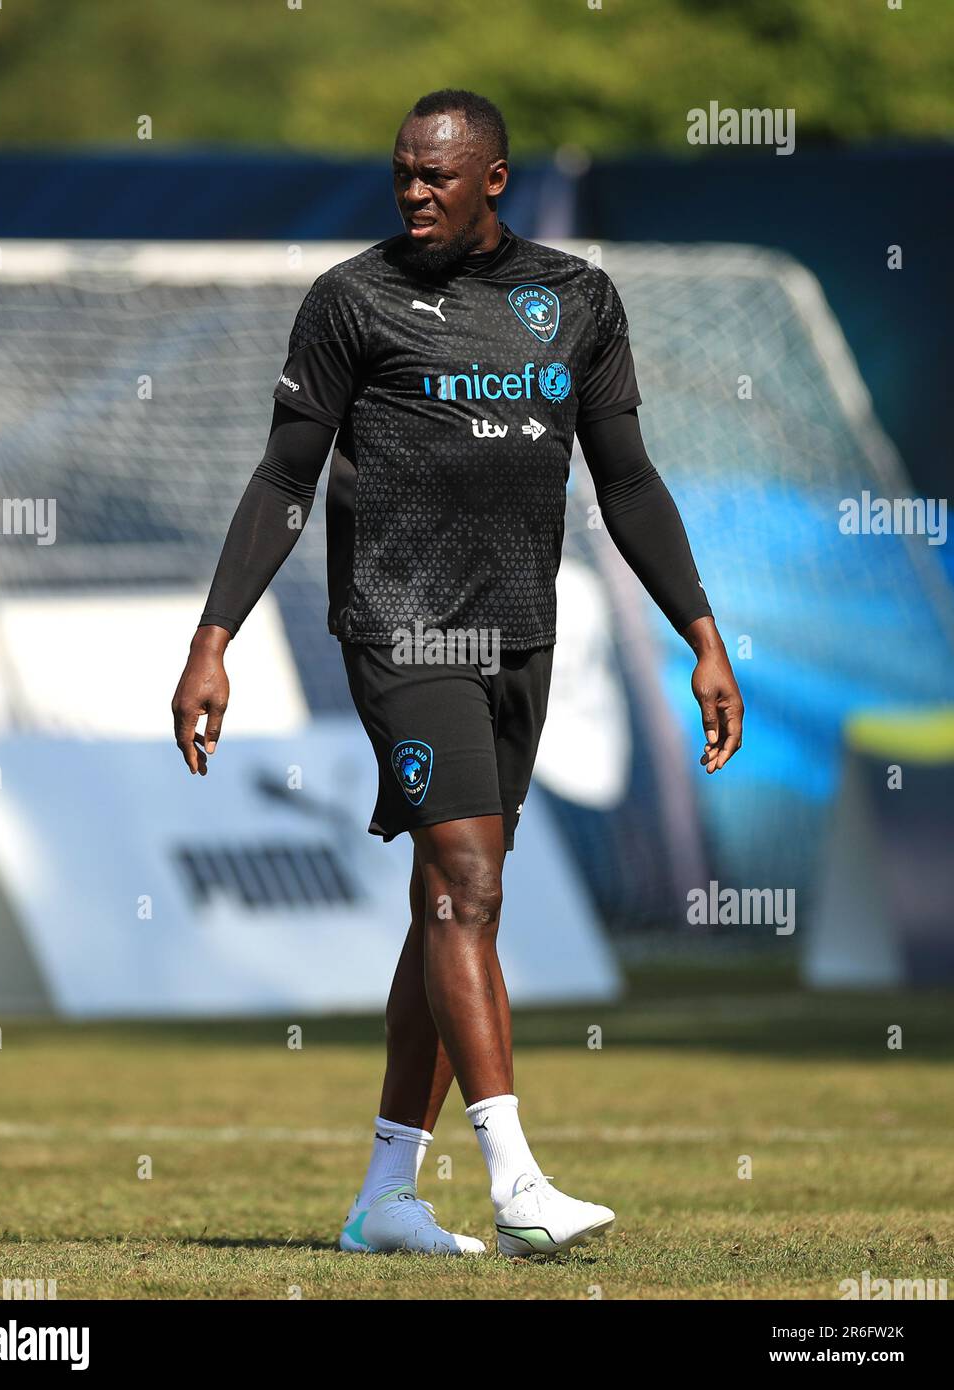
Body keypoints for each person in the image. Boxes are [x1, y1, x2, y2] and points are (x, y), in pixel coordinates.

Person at [171, 88, 744, 1257]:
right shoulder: (352, 299)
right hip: (400, 629)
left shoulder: (574, 300)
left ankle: (386, 1194)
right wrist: (212, 637)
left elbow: (625, 482)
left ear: (493, 178)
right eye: (400, 173)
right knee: (469, 881)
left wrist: (700, 632)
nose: (413, 192)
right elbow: (284, 477)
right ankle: (516, 1176)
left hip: (518, 636)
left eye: (436, 175)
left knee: (445, 904)